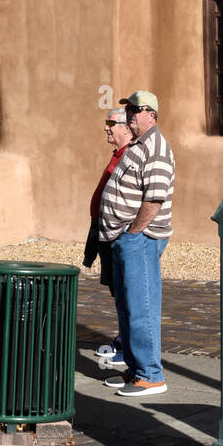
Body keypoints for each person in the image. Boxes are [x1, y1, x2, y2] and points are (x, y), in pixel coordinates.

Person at [98, 90, 175, 397]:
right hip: (124, 238)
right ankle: (135, 370)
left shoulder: (155, 147)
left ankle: (151, 375)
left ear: (151, 114)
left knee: (141, 306)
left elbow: (154, 198)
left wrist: (133, 233)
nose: (130, 113)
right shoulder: (138, 144)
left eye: (136, 109)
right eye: (127, 108)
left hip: (140, 239)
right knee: (128, 307)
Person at [82, 108, 132, 369]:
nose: (106, 127)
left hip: (116, 233)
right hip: (103, 230)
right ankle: (123, 340)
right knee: (117, 290)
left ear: (126, 126)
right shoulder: (118, 155)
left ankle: (126, 346)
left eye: (111, 123)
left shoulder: (129, 156)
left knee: (124, 292)